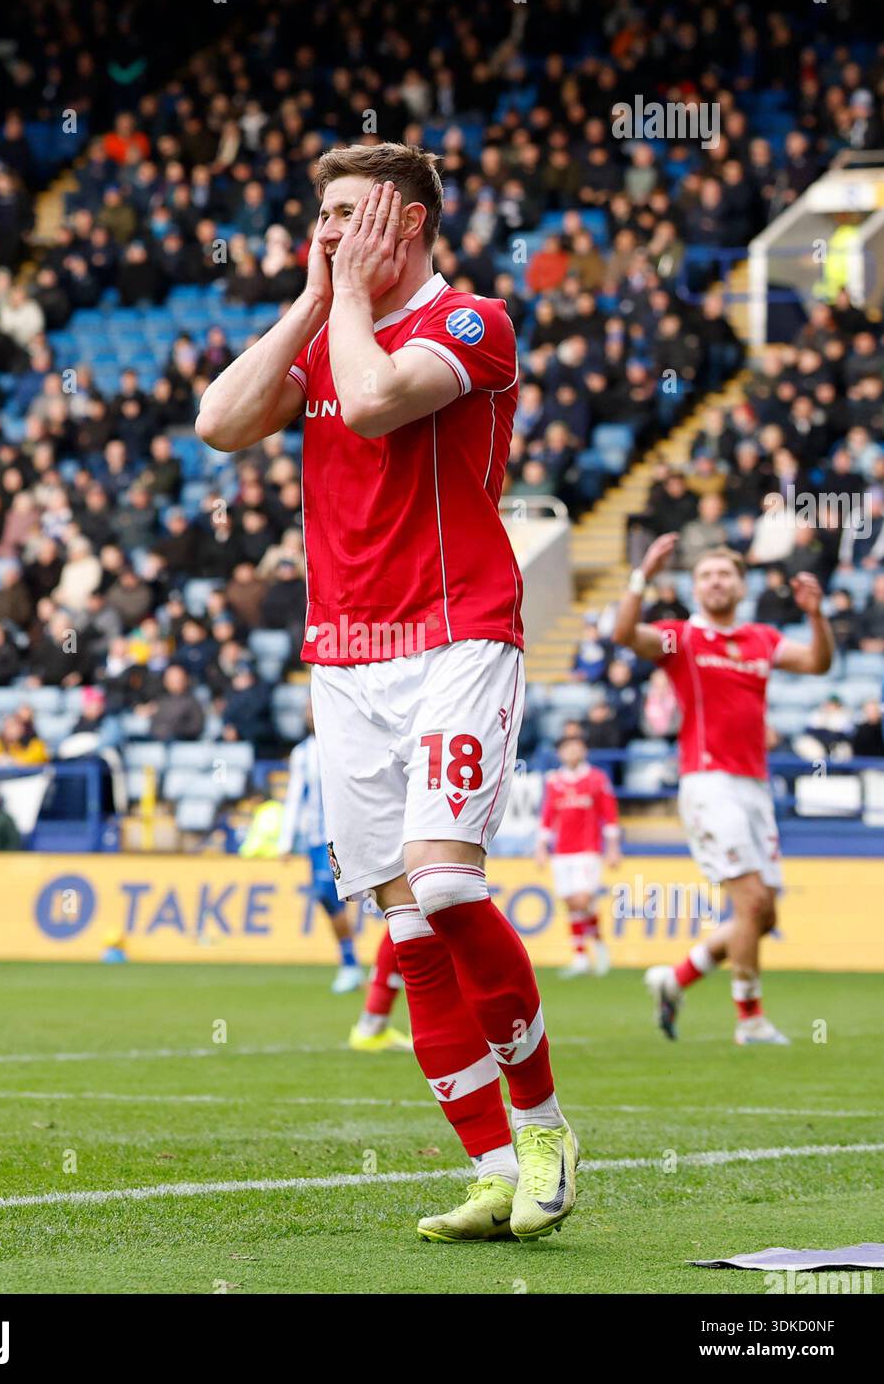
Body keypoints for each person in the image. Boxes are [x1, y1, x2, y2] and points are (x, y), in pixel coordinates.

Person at [199, 143, 576, 1245]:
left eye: (346, 215)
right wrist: (317, 297)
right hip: (346, 656)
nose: (324, 229)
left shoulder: (473, 324)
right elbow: (218, 423)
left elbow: (369, 405)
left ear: (405, 222)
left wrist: (347, 307)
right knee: (408, 930)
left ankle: (547, 1126)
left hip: (457, 635)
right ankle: (495, 1171)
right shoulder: (330, 328)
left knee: (450, 891)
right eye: (317, 213)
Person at [612, 536, 834, 1046]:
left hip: (755, 787)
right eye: (707, 575)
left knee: (765, 912)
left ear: (742, 584)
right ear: (694, 588)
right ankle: (750, 1019)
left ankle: (677, 977)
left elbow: (818, 664)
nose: (716, 582)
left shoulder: (761, 639)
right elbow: (625, 632)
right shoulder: (682, 639)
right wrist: (641, 575)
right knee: (751, 901)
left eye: (725, 574)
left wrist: (817, 616)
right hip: (709, 783)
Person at [278, 711, 413, 1054]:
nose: (311, 711)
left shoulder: (353, 739)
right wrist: (285, 840)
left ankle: (375, 1008)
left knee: (401, 909)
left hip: (360, 832)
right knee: (328, 895)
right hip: (318, 837)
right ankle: (352, 964)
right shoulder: (304, 752)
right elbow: (296, 794)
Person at [536, 733, 621, 978]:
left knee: (583, 900)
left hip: (588, 850)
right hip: (562, 851)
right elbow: (548, 816)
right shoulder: (554, 781)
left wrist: (613, 848)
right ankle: (581, 956)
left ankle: (599, 948)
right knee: (571, 902)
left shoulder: (596, 779)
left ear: (584, 751)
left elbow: (610, 814)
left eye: (577, 747)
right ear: (560, 753)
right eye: (567, 748)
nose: (572, 752)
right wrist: (541, 848)